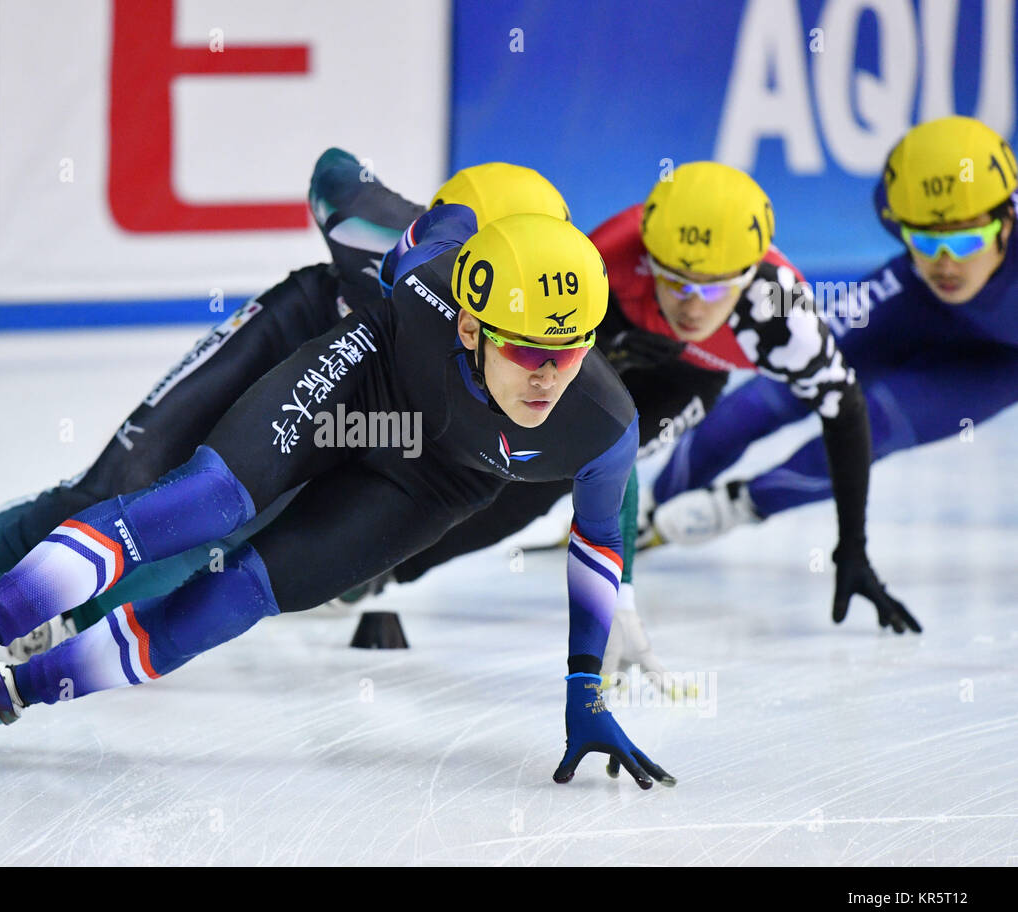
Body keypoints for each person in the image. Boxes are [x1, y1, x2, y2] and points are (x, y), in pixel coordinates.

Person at [0, 210, 675, 789]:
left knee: (225, 604)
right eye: (529, 349)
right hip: (366, 382)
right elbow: (352, 188)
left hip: (434, 478)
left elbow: (597, 543)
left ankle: (2, 698)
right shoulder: (430, 279)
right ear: (469, 325)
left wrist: (583, 696)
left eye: (568, 353)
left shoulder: (601, 425)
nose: (548, 378)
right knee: (206, 503)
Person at [0, 152, 568, 666]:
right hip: (295, 338)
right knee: (115, 492)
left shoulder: (533, 329)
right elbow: (333, 171)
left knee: (210, 543)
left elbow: (598, 444)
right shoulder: (392, 238)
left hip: (363, 407)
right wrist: (384, 240)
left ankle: (54, 623)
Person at [354, 161, 919, 646]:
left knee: (537, 488)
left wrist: (853, 546)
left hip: (688, 379)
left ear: (751, 277)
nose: (692, 308)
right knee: (484, 450)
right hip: (596, 349)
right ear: (650, 258)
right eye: (675, 282)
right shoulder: (608, 259)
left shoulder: (783, 314)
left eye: (715, 289)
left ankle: (387, 568)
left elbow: (843, 409)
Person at [646, 116, 1017, 610]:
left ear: (1006, 222)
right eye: (925, 240)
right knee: (786, 383)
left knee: (879, 419)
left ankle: (735, 507)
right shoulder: (917, 253)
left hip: (1001, 362)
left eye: (964, 241)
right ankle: (652, 504)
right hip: (915, 302)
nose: (945, 263)